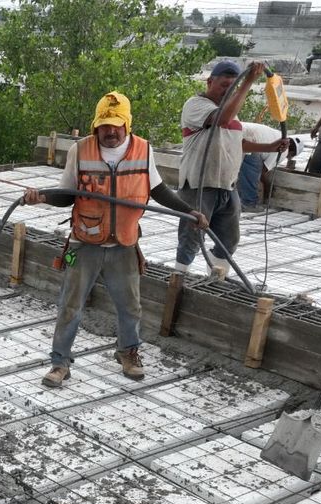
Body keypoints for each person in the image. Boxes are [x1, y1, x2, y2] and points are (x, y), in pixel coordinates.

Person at [22, 92, 207, 389]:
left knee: (130, 306)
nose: (110, 131)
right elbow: (67, 194)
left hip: (124, 244)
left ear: (127, 124)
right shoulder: (80, 151)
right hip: (85, 243)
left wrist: (189, 212)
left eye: (116, 125)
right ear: (96, 125)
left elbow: (158, 191)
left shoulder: (143, 150)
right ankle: (59, 363)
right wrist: (40, 197)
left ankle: (128, 353)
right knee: (70, 305)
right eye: (104, 125)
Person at [175, 60, 264, 280]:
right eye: (225, 85)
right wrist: (247, 83)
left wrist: (271, 147)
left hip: (227, 185)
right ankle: (178, 279)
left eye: (233, 85)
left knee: (229, 239)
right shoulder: (196, 105)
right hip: (199, 185)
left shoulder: (233, 114)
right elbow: (221, 120)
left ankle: (215, 279)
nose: (229, 90)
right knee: (191, 237)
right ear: (210, 82)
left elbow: (238, 143)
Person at [238, 122, 298, 209]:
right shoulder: (284, 149)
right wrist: (267, 187)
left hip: (237, 129)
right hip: (250, 139)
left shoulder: (277, 134)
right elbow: (263, 171)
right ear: (292, 152)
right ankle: (249, 204)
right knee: (253, 169)